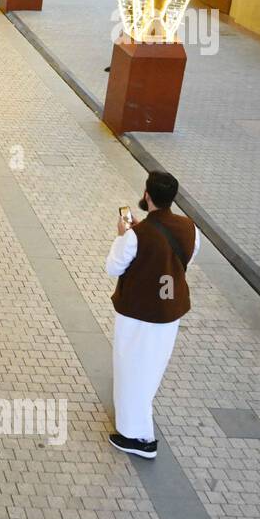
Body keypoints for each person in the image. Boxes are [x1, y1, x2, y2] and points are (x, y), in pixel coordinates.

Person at [106, 171, 199, 460]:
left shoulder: (135, 235)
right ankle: (139, 423)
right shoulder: (190, 228)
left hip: (138, 313)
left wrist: (122, 236)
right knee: (152, 367)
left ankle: (137, 436)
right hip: (170, 312)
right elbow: (187, 259)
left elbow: (113, 267)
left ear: (147, 196)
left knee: (131, 368)